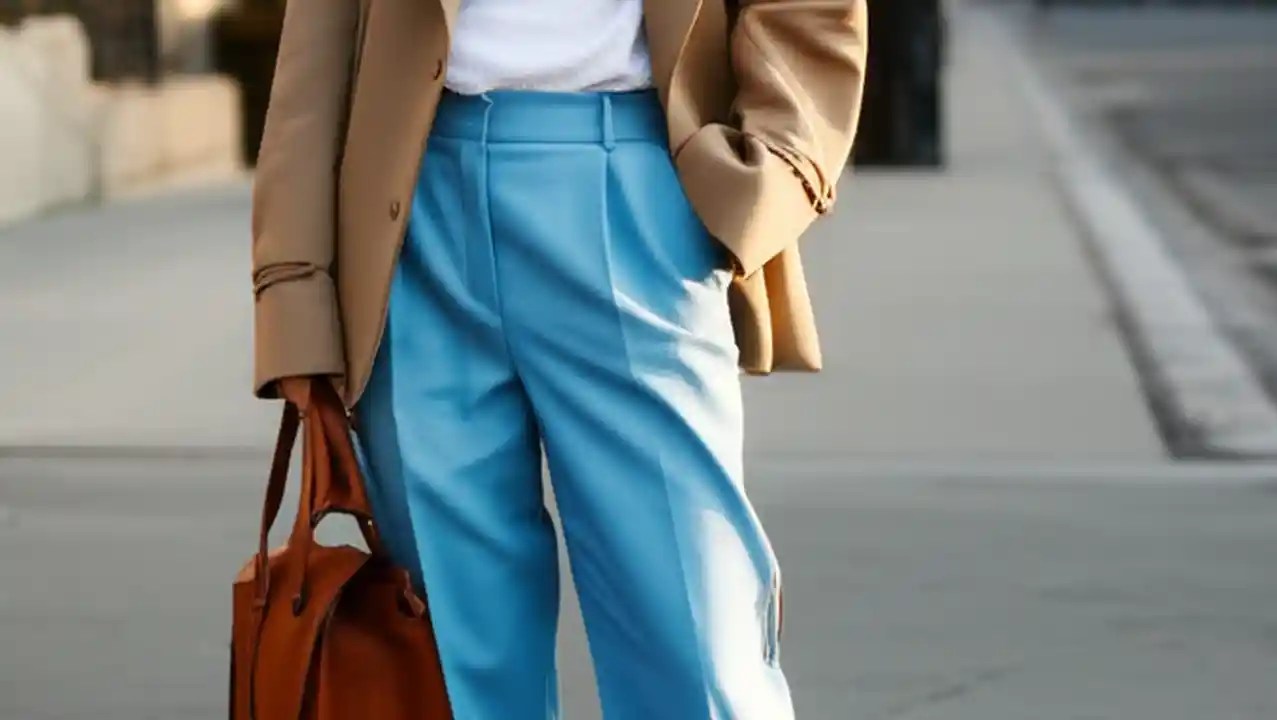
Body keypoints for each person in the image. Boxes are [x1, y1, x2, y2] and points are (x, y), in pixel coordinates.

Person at [252, 0, 867, 716]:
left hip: (632, 191)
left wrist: (780, 167)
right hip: (406, 212)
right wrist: (293, 284)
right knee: (449, 660)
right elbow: (320, 30)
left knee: (693, 639)